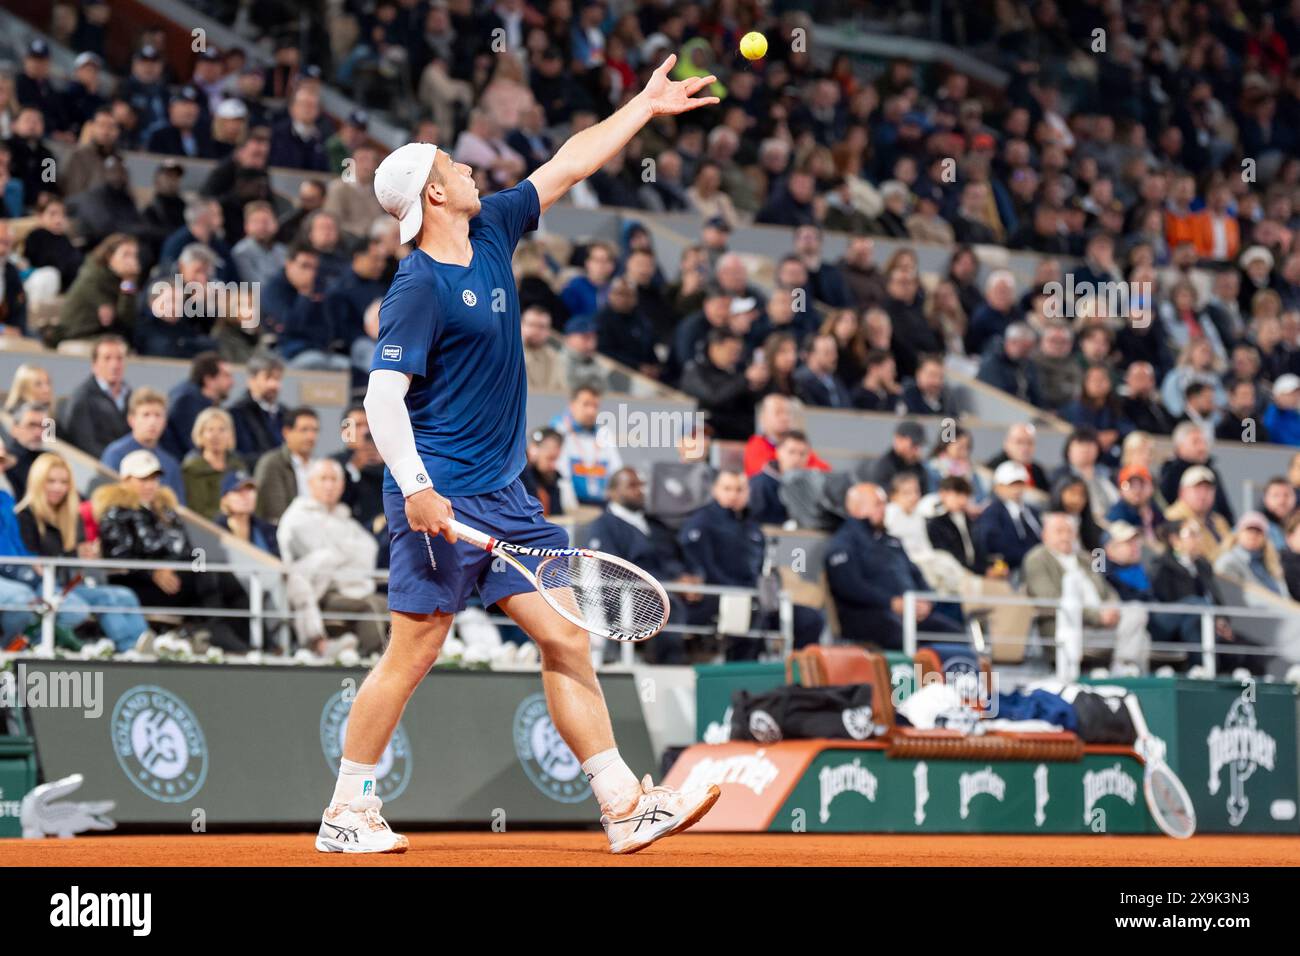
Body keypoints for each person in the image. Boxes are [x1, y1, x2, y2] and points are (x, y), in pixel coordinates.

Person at [348, 59, 724, 854]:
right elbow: (381, 401)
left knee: (567, 636)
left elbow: (571, 161)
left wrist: (645, 108)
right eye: (454, 164)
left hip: (508, 496)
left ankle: (622, 805)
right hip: (439, 498)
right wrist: (416, 488)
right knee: (413, 651)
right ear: (433, 195)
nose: (471, 165)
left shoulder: (492, 229)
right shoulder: (416, 286)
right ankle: (347, 809)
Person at [94, 449, 251, 652]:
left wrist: (182, 564)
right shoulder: (115, 513)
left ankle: (249, 639)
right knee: (204, 575)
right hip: (141, 585)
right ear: (126, 480)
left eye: (154, 479)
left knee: (221, 575)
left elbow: (187, 549)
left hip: (177, 577)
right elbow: (118, 559)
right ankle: (213, 630)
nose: (150, 485)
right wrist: (153, 572)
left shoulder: (167, 510)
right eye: (143, 479)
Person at [679, 469, 823, 659]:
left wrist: (767, 592)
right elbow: (703, 570)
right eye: (727, 489)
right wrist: (745, 594)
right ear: (715, 490)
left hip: (755, 599)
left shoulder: (753, 527)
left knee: (810, 619)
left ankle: (796, 674)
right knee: (750, 616)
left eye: (739, 489)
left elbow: (764, 569)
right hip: (719, 600)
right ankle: (741, 677)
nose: (733, 495)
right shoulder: (700, 524)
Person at [15, 452, 149, 652]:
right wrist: (73, 556)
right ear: (37, 482)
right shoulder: (23, 516)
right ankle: (37, 648)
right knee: (77, 609)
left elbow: (71, 561)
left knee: (123, 596)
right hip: (38, 588)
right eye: (50, 481)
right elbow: (36, 565)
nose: (58, 488)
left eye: (63, 482)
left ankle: (135, 652)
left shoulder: (71, 516)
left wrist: (85, 554)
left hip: (66, 587)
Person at [826, 481, 963, 649]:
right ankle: (913, 674)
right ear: (857, 508)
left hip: (911, 614)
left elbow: (916, 575)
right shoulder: (844, 543)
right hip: (870, 615)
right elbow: (849, 586)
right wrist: (892, 603)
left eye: (884, 503)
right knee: (901, 636)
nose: (884, 509)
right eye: (878, 504)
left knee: (957, 634)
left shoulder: (891, 541)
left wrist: (926, 601)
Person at [582, 468, 697, 664]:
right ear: (612, 492)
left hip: (675, 589)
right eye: (631, 486)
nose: (639, 490)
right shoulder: (604, 526)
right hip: (632, 596)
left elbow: (678, 557)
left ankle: (732, 670)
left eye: (640, 485)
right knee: (668, 607)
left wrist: (691, 578)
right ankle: (668, 670)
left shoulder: (656, 525)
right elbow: (612, 570)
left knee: (725, 602)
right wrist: (668, 584)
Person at [277, 459, 389, 656]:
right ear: (310, 483)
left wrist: (339, 555)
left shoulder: (346, 519)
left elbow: (368, 551)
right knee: (370, 606)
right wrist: (345, 555)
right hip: (319, 593)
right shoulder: (297, 517)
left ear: (342, 485)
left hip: (356, 587)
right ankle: (374, 661)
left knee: (391, 605)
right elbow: (318, 559)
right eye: (323, 479)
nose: (329, 485)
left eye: (334, 479)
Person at [1022, 512, 1150, 671]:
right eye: (1059, 531)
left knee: (1136, 613)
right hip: (1072, 626)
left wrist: (1112, 608)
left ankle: (1131, 675)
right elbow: (1050, 600)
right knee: (1139, 635)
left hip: (1103, 622)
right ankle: (1123, 670)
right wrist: (1097, 616)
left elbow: (1107, 590)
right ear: (1045, 534)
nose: (1065, 536)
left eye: (1069, 531)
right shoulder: (1037, 558)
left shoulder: (1086, 557)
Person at [101, 388, 186, 504]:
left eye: (158, 415)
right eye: (146, 415)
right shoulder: (115, 454)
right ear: (131, 420)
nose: (152, 422)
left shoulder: (171, 464)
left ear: (165, 422)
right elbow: (106, 498)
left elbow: (178, 506)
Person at [550, 385, 623, 506]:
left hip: (603, 504)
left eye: (595, 406)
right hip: (572, 504)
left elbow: (617, 471)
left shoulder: (604, 433)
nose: (591, 411)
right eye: (586, 404)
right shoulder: (559, 430)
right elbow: (561, 475)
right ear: (572, 405)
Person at [59, 334, 130, 459]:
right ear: (94, 364)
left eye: (119, 358)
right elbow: (87, 446)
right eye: (107, 358)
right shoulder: (82, 399)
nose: (114, 365)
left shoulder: (131, 396)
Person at [253, 407, 319, 524]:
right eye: (304, 430)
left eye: (315, 430)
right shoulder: (272, 463)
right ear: (286, 432)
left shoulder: (318, 466)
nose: (310, 436)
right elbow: (275, 512)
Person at [973, 461, 1043, 572]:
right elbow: (995, 546)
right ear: (998, 487)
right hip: (1012, 569)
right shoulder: (992, 514)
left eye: (1020, 484)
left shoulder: (1033, 512)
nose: (1017, 489)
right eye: (1011, 485)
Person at [742, 394, 832, 477]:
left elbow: (825, 470)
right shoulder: (756, 445)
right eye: (778, 412)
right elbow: (762, 473)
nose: (785, 418)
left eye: (788, 413)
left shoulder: (797, 445)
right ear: (763, 418)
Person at [181, 408, 246, 521]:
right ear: (200, 435)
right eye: (210, 430)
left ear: (230, 435)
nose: (216, 436)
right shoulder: (191, 470)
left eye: (222, 430)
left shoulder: (238, 466)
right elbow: (197, 510)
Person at [227, 352, 287, 460]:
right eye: (268, 378)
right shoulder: (237, 413)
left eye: (278, 379)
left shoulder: (285, 413)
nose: (273, 384)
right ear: (251, 380)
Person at [1214, 511, 1287, 595]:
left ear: (1265, 537)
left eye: (1258, 531)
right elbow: (1231, 596)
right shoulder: (1228, 562)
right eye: (1249, 530)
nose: (1253, 535)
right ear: (1238, 533)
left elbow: (1284, 594)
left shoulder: (1272, 564)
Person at [748, 430, 810, 525]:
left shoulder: (810, 485)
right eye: (791, 452)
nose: (797, 458)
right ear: (778, 452)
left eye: (802, 454)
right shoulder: (760, 484)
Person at [869, 420, 929, 493]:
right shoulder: (883, 467)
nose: (917, 450)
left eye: (920, 445)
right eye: (914, 444)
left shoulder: (919, 468)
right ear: (898, 440)